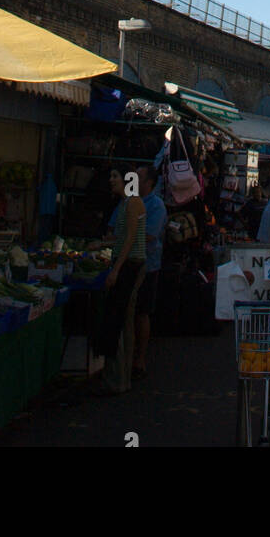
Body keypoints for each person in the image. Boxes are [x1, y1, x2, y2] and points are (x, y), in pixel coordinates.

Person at [96, 167, 146, 395]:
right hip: (126, 264)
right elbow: (123, 237)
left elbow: (130, 239)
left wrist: (116, 269)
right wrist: (102, 245)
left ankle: (118, 379)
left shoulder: (133, 203)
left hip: (130, 266)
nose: (111, 180)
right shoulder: (126, 204)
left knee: (119, 319)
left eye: (115, 176)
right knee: (122, 321)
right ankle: (119, 378)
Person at [132, 162, 167, 382]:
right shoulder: (128, 201)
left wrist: (120, 240)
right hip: (125, 262)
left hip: (147, 264)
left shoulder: (156, 206)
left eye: (139, 177)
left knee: (141, 312)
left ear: (150, 183)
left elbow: (149, 236)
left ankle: (140, 358)